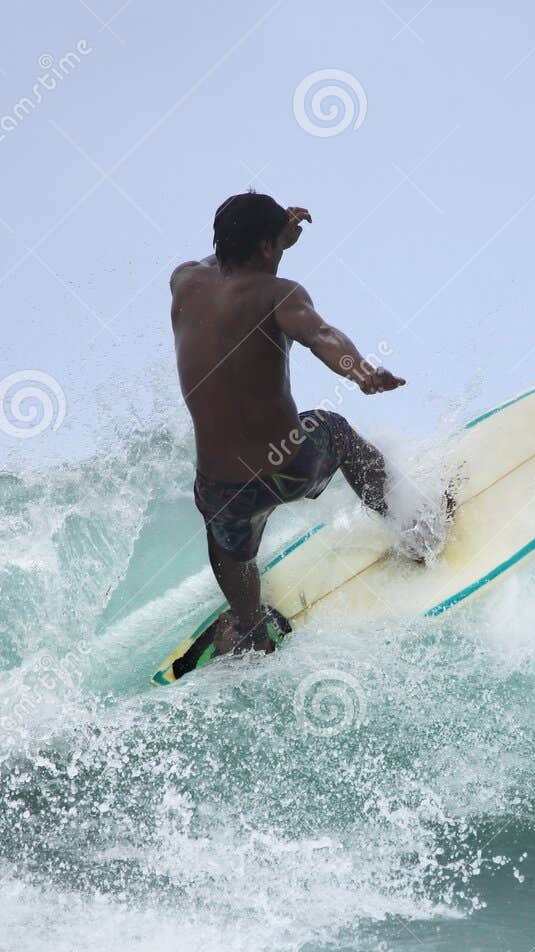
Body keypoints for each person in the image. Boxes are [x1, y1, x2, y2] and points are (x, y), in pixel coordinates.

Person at [169, 191, 406, 654]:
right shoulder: (279, 294)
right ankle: (417, 535)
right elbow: (320, 334)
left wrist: (271, 235)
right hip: (286, 468)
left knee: (228, 543)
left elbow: (214, 262)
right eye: (276, 244)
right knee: (335, 429)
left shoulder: (183, 281)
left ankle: (249, 628)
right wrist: (360, 372)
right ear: (264, 249)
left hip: (220, 491)